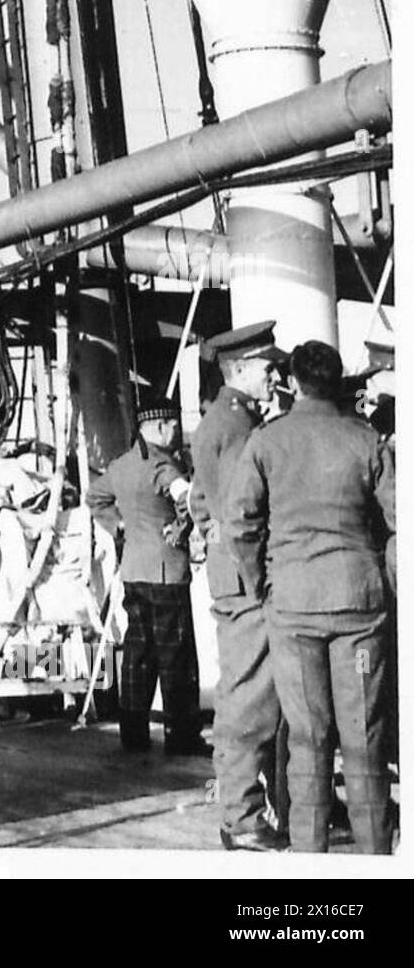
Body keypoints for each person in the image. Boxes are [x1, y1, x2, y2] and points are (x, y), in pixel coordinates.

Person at [225, 341, 396, 854]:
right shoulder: (366, 440)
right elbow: (399, 523)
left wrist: (262, 584)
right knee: (364, 739)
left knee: (308, 740)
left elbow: (239, 524)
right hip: (360, 604)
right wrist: (382, 580)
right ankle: (375, 859)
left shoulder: (266, 442)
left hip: (294, 606)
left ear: (293, 382)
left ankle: (309, 865)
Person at [189, 320, 289, 852]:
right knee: (249, 699)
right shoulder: (234, 428)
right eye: (269, 368)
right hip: (248, 583)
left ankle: (266, 804)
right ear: (241, 370)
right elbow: (242, 515)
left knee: (260, 695)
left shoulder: (224, 422)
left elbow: (206, 508)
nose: (276, 375)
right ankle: (243, 817)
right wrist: (261, 582)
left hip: (236, 576)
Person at [86, 398, 207, 755]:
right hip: (167, 573)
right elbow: (187, 496)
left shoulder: (120, 465)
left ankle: (133, 733)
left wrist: (119, 526)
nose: (177, 431)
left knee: (138, 654)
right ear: (158, 427)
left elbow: (95, 497)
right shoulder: (163, 465)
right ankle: (182, 735)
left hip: (135, 572)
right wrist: (183, 526)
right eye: (173, 425)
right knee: (176, 656)